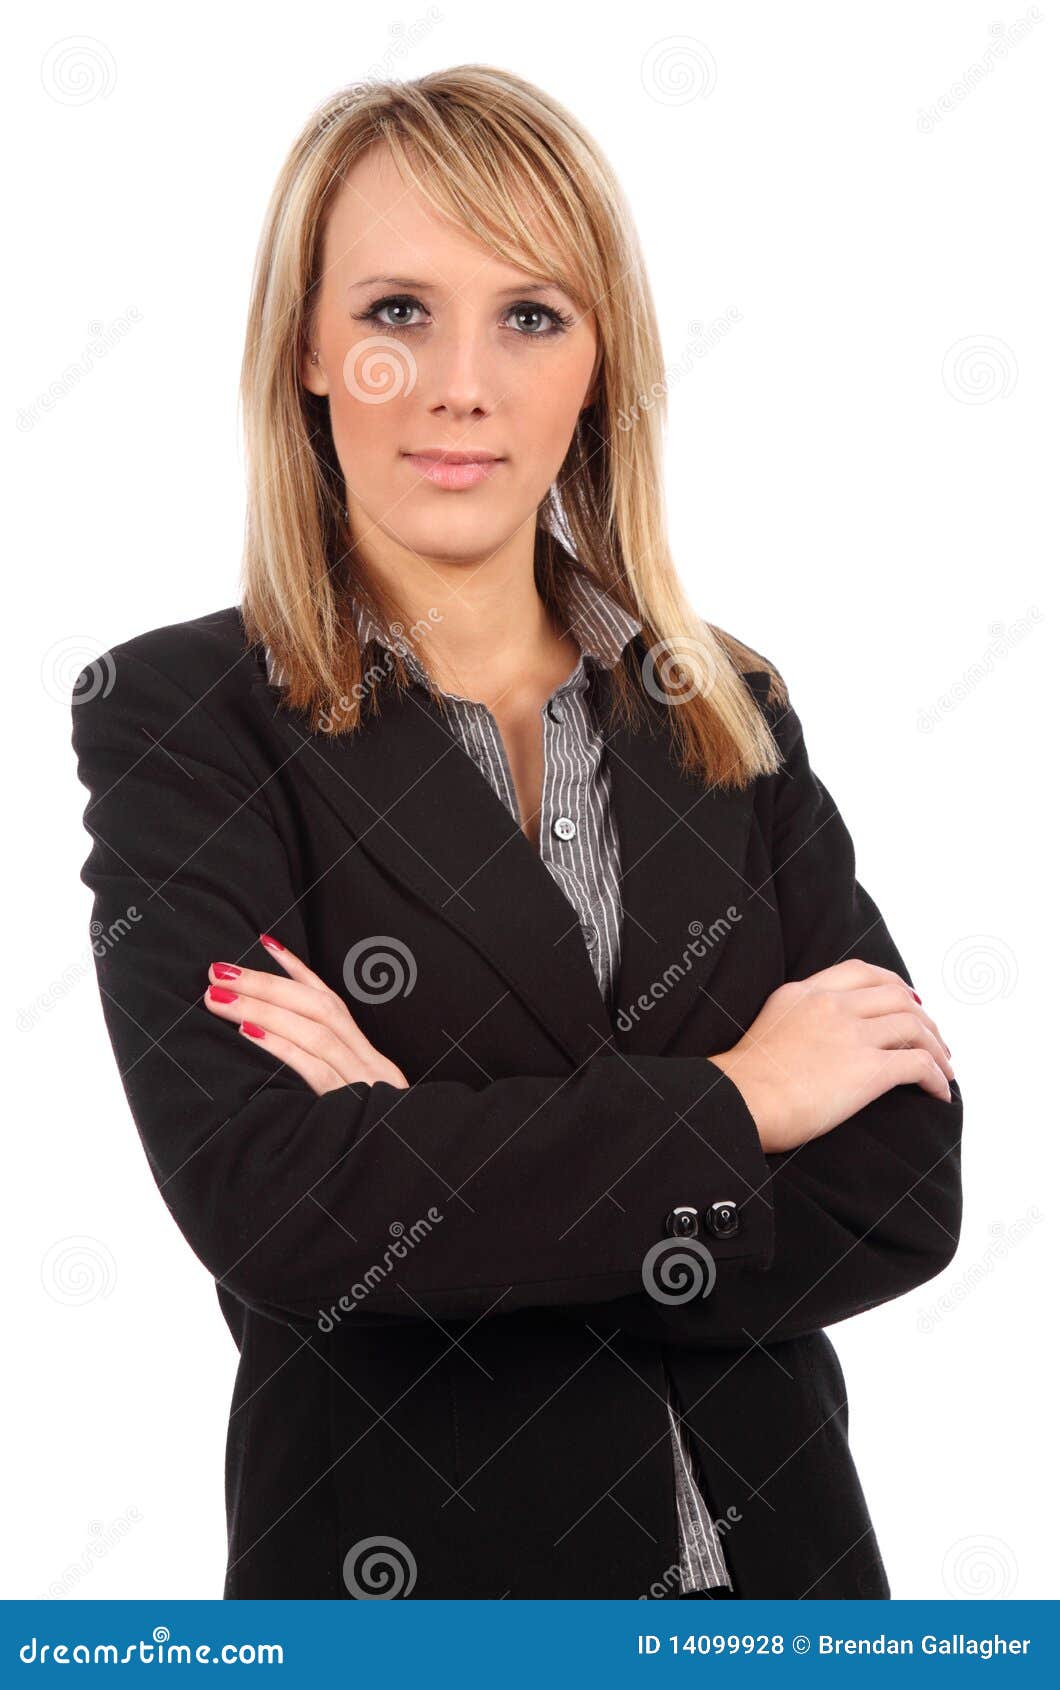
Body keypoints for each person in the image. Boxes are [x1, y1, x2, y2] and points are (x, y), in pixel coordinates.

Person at [71, 66, 962, 1600]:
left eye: (531, 315)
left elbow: (904, 1191)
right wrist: (746, 1099)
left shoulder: (725, 702)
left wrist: (428, 1165)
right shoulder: (184, 714)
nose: (459, 383)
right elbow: (276, 1204)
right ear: (306, 346)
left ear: (602, 360)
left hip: (789, 1592)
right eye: (398, 311)